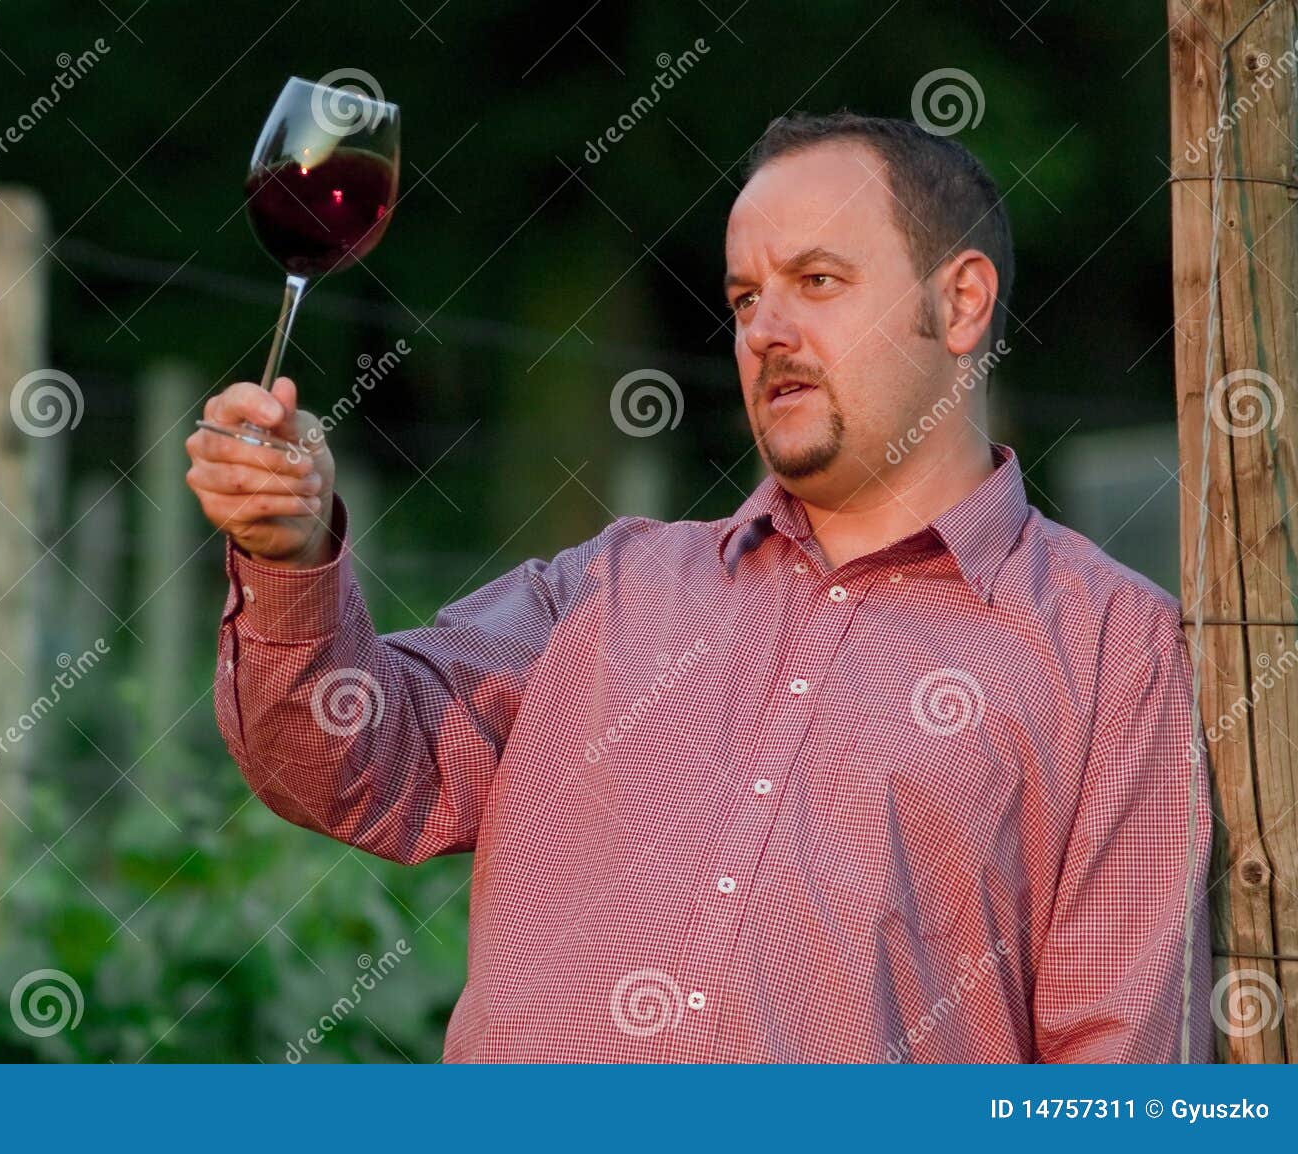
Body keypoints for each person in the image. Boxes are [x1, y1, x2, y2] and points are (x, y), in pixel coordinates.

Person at [184, 110, 1212, 1062]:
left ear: (959, 302)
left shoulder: (1111, 649)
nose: (765, 330)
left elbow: (1114, 1055)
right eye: (743, 297)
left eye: (815, 281)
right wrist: (289, 551)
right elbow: (351, 764)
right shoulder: (607, 588)